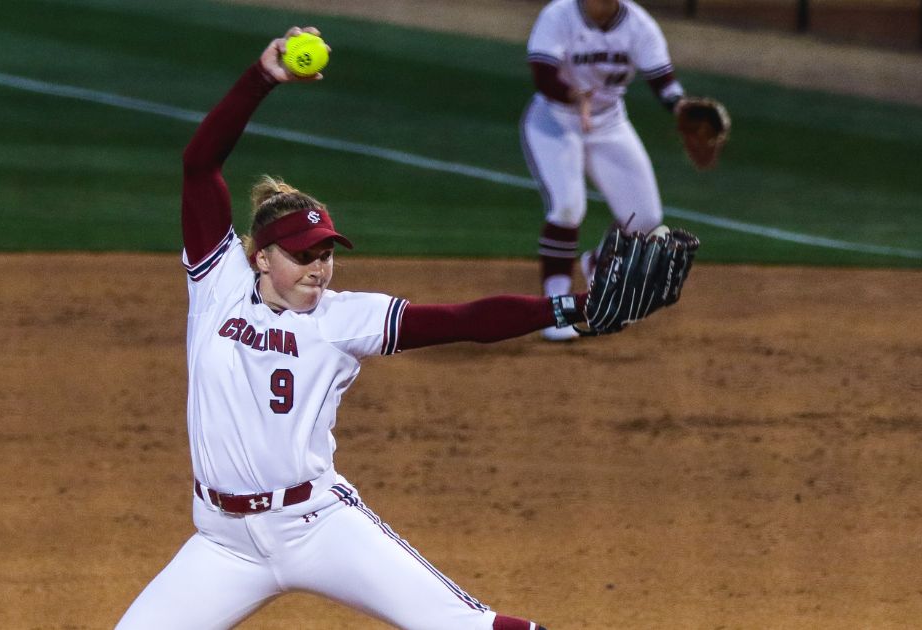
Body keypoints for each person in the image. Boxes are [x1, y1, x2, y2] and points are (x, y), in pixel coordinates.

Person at [115, 26, 658, 630]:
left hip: (316, 525)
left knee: (464, 625)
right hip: (222, 543)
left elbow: (462, 322)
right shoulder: (216, 284)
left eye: (326, 253)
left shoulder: (345, 317)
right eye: (301, 255)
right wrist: (263, 77)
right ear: (261, 258)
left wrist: (565, 308)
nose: (318, 269)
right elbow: (199, 164)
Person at [521, 0, 692, 341]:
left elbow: (663, 80)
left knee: (644, 217)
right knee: (568, 208)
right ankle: (554, 306)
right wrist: (574, 95)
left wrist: (680, 105)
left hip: (610, 125)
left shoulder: (639, 25)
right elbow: (543, 74)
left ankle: (598, 264)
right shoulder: (558, 15)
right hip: (554, 122)